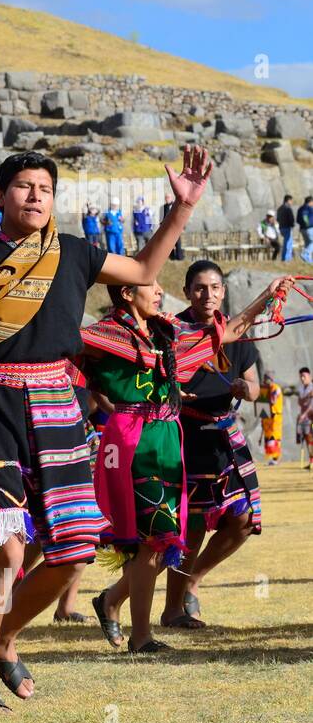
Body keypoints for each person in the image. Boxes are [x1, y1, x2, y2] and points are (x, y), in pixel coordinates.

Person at [0, 146, 212, 713]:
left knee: (76, 549)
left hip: (57, 404)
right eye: (22, 187)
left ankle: (2, 637)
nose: (35, 196)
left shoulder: (73, 253)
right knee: (6, 551)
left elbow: (141, 271)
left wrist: (180, 208)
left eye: (44, 188)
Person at [83, 276, 285, 654]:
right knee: (153, 541)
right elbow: (61, 353)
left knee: (158, 543)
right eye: (152, 285)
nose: (161, 292)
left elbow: (231, 329)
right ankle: (138, 632)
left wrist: (267, 296)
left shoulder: (168, 333)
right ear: (127, 293)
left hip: (166, 440)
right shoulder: (105, 335)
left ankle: (116, 607)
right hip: (133, 441)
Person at [166, 260, 265, 631]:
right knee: (189, 527)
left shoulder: (236, 333)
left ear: (223, 292)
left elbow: (254, 385)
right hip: (185, 435)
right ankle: (172, 609)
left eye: (215, 288)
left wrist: (245, 389)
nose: (208, 295)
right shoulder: (173, 331)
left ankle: (193, 580)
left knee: (244, 520)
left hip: (226, 437)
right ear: (188, 291)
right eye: (199, 288)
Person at [259, 372, 283, 465]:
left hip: (275, 415)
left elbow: (273, 400)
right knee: (268, 437)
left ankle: (276, 458)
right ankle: (271, 458)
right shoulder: (265, 389)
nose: (264, 381)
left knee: (275, 436)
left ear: (270, 379)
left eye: (266, 379)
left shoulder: (276, 388)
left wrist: (264, 397)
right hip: (267, 416)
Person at [297, 367, 313, 468]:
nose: (302, 378)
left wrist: (304, 414)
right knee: (308, 439)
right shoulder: (302, 388)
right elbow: (300, 402)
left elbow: (311, 405)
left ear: (309, 376)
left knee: (310, 438)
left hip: (310, 416)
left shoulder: (312, 387)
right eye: (301, 376)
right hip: (306, 418)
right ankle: (311, 462)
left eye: (304, 376)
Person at [277, 195, 296, 262]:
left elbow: (278, 219)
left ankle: (284, 258)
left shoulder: (279, 209)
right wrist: (292, 224)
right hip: (287, 228)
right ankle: (287, 259)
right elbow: (291, 219)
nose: (291, 202)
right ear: (288, 200)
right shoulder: (288, 208)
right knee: (288, 244)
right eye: (291, 201)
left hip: (281, 228)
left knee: (286, 243)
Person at [299, 197, 313, 261]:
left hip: (302, 228)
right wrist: (307, 224)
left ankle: (308, 260)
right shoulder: (307, 208)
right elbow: (305, 216)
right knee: (312, 242)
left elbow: (297, 220)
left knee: (307, 243)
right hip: (309, 228)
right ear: (310, 202)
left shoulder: (300, 208)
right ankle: (305, 254)